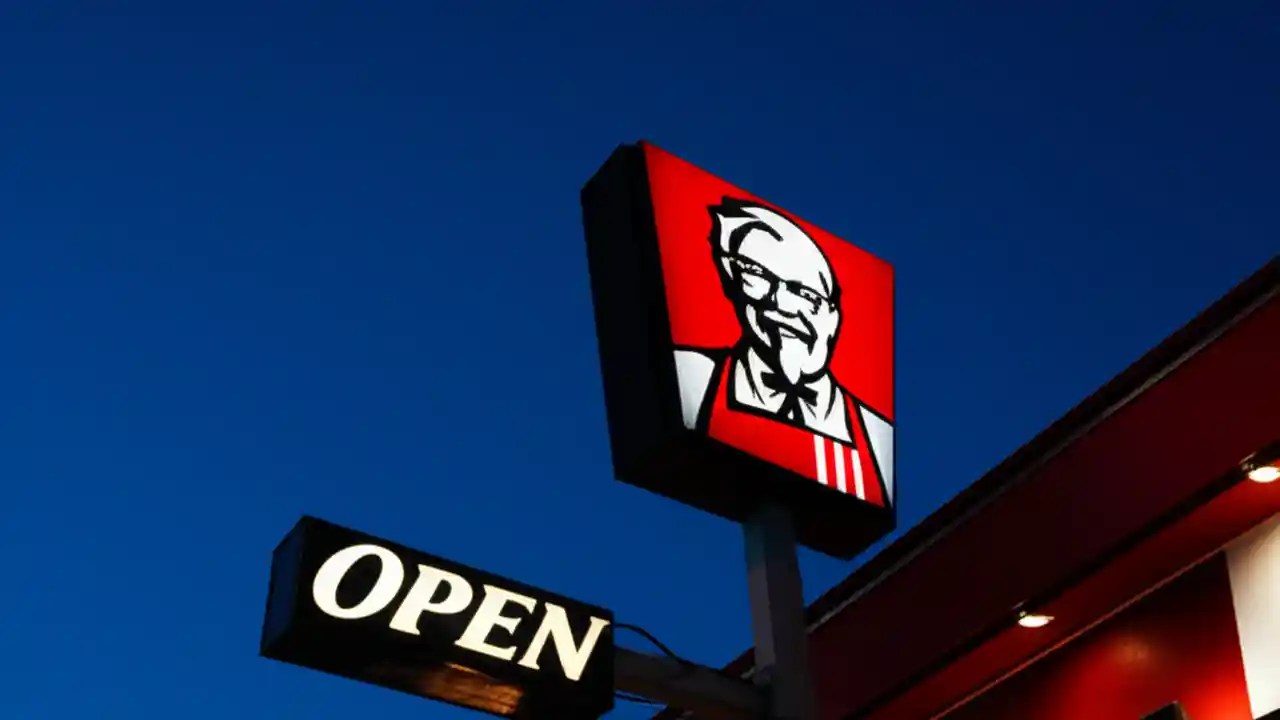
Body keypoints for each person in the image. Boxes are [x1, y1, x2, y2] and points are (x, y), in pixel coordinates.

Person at [673, 198, 893, 505]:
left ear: (833, 319)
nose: (781, 304)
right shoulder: (691, 379)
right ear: (733, 288)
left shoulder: (876, 435)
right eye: (758, 278)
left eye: (805, 294)